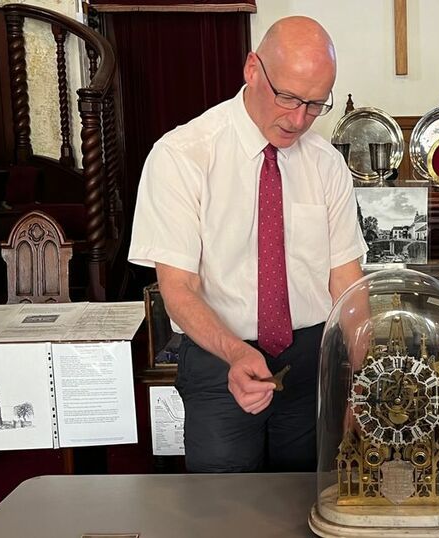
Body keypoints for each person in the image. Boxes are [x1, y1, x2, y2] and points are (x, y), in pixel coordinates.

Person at [128, 17, 367, 473]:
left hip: (311, 359)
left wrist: (361, 381)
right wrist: (236, 353)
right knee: (226, 510)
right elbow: (178, 289)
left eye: (316, 104)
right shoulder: (183, 155)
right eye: (289, 98)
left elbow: (347, 283)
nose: (299, 120)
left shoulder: (326, 164)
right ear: (252, 69)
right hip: (220, 355)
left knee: (307, 501)